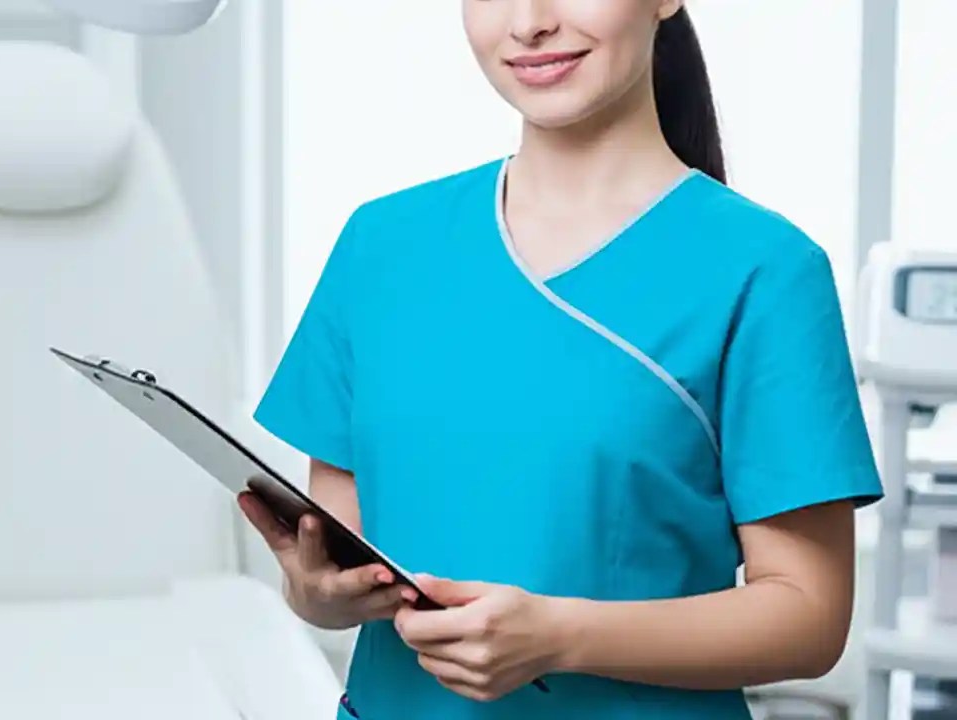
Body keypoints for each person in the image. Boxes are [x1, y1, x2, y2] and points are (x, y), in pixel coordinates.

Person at [238, 1, 884, 718]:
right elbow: (342, 560)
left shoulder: (764, 272)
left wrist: (561, 638)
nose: (529, 22)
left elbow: (808, 617)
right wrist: (317, 594)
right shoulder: (381, 246)